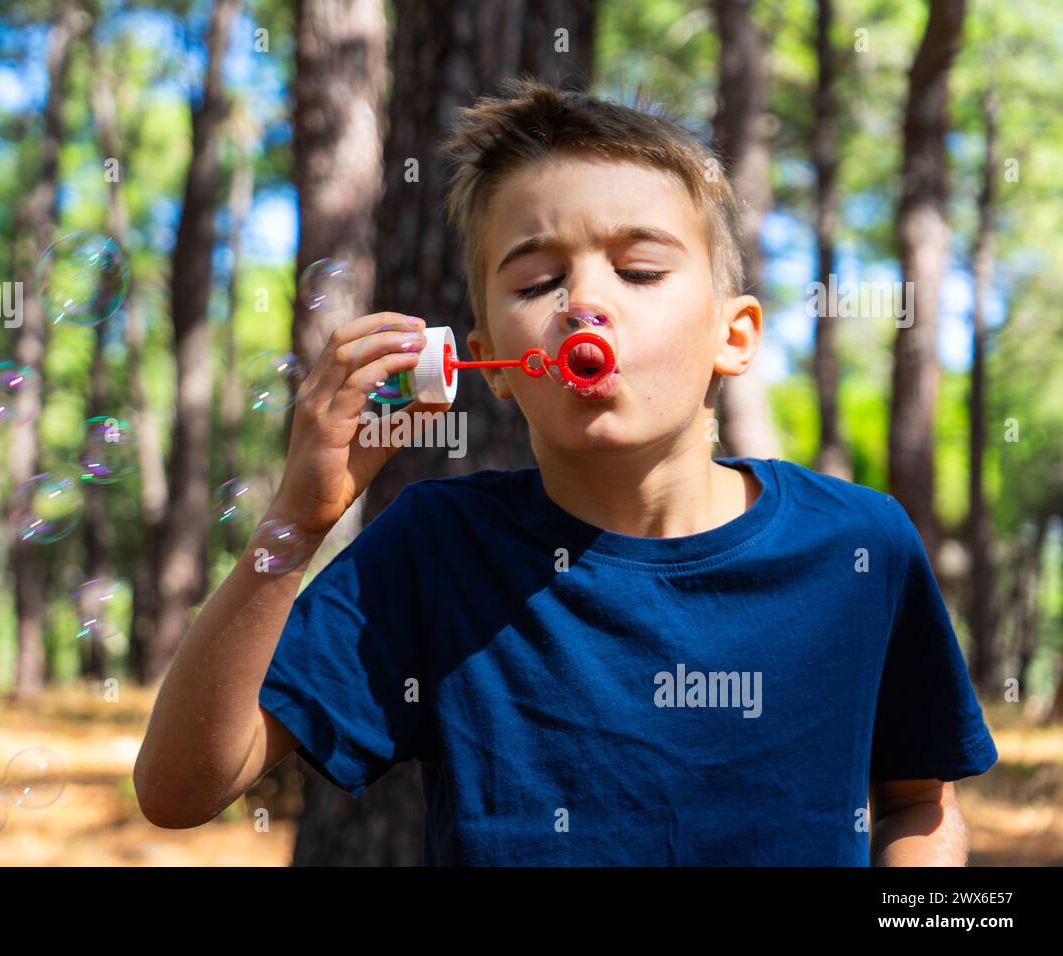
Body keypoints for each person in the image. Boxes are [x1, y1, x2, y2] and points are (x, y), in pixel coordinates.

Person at [134, 77, 997, 866]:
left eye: (640, 269)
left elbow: (919, 804)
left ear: (732, 335)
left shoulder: (857, 544)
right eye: (540, 279)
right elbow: (180, 790)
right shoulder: (437, 550)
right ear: (491, 363)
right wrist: (298, 517)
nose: (584, 303)